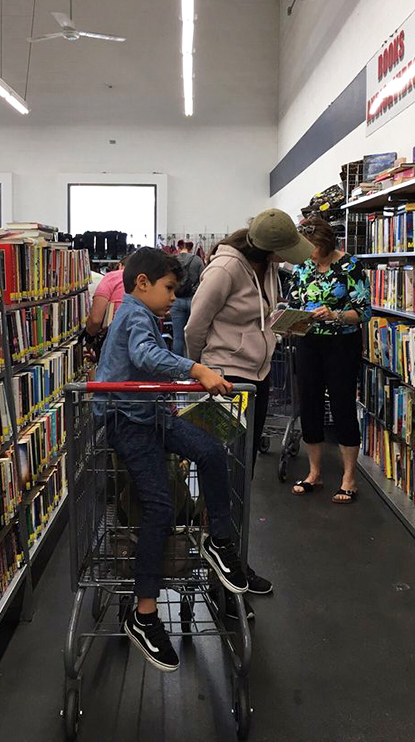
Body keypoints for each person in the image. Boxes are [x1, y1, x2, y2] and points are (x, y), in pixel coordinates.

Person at [95, 247, 248, 673]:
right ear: (142, 283)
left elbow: (146, 362)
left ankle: (218, 540)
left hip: (152, 415)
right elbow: (145, 356)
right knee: (159, 507)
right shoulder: (134, 314)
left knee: (211, 450)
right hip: (129, 421)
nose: (172, 298)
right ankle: (143, 615)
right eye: (168, 289)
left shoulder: (144, 313)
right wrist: (196, 370)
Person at [185, 209, 314, 599]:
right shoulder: (225, 269)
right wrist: (201, 372)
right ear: (268, 249)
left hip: (256, 380)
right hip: (224, 382)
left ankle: (234, 561)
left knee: (243, 476)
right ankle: (220, 564)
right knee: (222, 473)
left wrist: (281, 326)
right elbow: (195, 326)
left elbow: (259, 316)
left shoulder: (268, 267)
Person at [288, 216, 371, 504]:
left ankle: (349, 477)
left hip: (341, 342)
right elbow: (294, 301)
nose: (310, 253)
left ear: (327, 243)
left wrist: (335, 315)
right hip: (308, 340)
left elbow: (364, 311)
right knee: (309, 403)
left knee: (342, 404)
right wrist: (289, 318)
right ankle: (315, 473)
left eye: (314, 247)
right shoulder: (302, 267)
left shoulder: (350, 265)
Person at [170, 242, 203, 355]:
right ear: (191, 248)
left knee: (177, 337)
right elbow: (203, 280)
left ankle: (177, 368)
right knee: (193, 335)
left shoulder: (172, 261)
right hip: (193, 301)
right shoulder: (197, 260)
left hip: (176, 300)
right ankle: (192, 365)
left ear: (178, 248)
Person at [85, 257, 128, 337]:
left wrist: (89, 337)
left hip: (115, 336)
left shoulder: (112, 277)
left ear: (120, 266)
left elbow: (96, 320)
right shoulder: (150, 282)